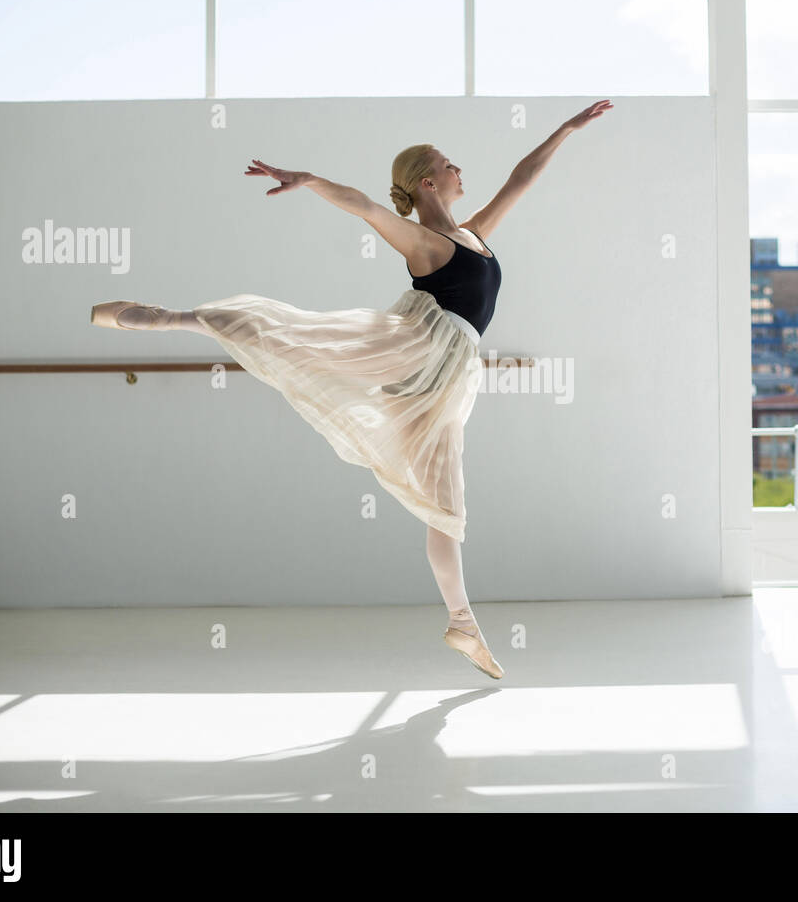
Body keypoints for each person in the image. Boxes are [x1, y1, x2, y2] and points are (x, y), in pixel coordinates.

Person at [89, 100, 614, 679]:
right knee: (301, 336)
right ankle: (175, 319)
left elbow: (523, 178)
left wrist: (565, 130)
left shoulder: (472, 233)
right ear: (427, 181)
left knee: (444, 504)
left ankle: (462, 623)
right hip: (417, 349)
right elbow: (363, 206)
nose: (461, 169)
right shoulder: (424, 242)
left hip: (446, 377)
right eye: (449, 163)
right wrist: (309, 180)